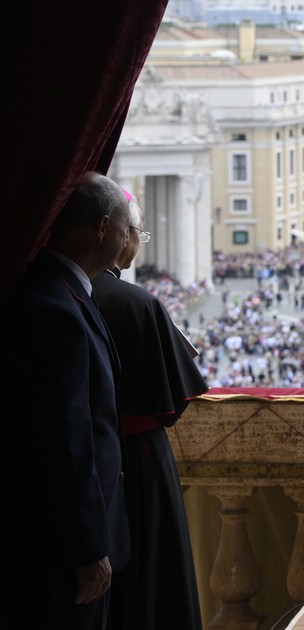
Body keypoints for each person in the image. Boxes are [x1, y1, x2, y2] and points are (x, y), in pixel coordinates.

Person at [0, 172, 132, 629]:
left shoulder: (66, 292)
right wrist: (89, 547)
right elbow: (66, 442)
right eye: (124, 226)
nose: (127, 237)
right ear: (101, 227)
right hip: (63, 551)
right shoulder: (54, 308)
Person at [92, 193, 208, 630]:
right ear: (118, 236)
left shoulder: (51, 292)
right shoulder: (138, 304)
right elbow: (174, 401)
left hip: (84, 464)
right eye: (137, 234)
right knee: (150, 584)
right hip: (139, 465)